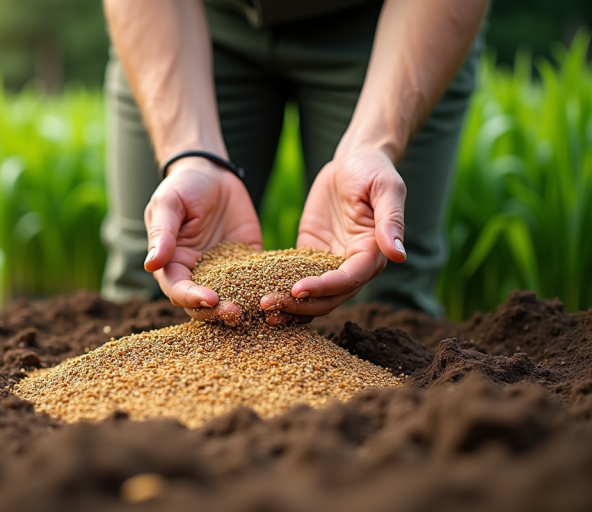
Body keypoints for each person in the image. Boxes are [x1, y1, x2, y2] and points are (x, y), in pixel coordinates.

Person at [100, 0, 488, 324]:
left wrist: (374, 145)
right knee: (151, 277)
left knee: (382, 296)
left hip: (388, 24)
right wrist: (189, 155)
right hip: (190, 19)